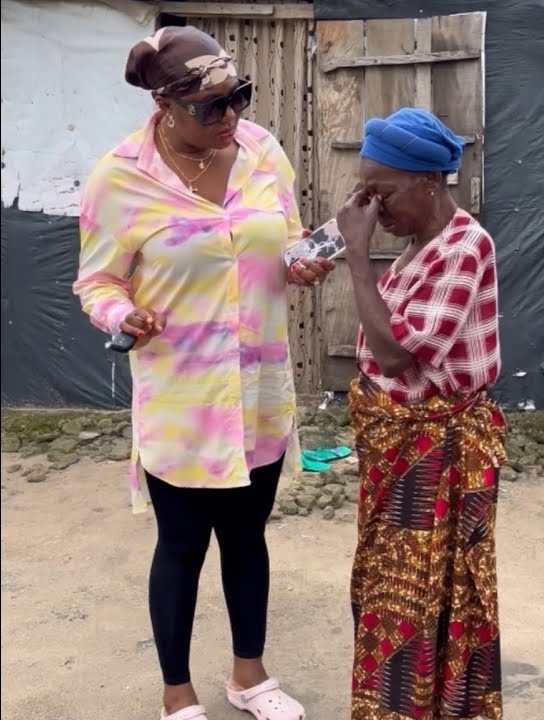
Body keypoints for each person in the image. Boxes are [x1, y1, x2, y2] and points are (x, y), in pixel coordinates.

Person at [73, 26, 327, 720]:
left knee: (249, 537)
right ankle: (176, 694)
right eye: (210, 108)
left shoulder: (262, 153)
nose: (230, 118)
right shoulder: (118, 178)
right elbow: (95, 282)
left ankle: (250, 678)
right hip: (181, 397)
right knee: (182, 544)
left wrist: (301, 260)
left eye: (236, 99)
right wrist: (121, 314)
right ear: (165, 105)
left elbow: (289, 236)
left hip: (259, 388)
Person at [337, 107, 506, 720]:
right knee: (391, 590)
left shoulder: (465, 245)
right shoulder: (419, 246)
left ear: (430, 181)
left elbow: (394, 351)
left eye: (379, 192)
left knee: (435, 596)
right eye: (364, 192)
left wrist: (357, 257)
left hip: (442, 451)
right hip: (405, 448)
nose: (370, 208)